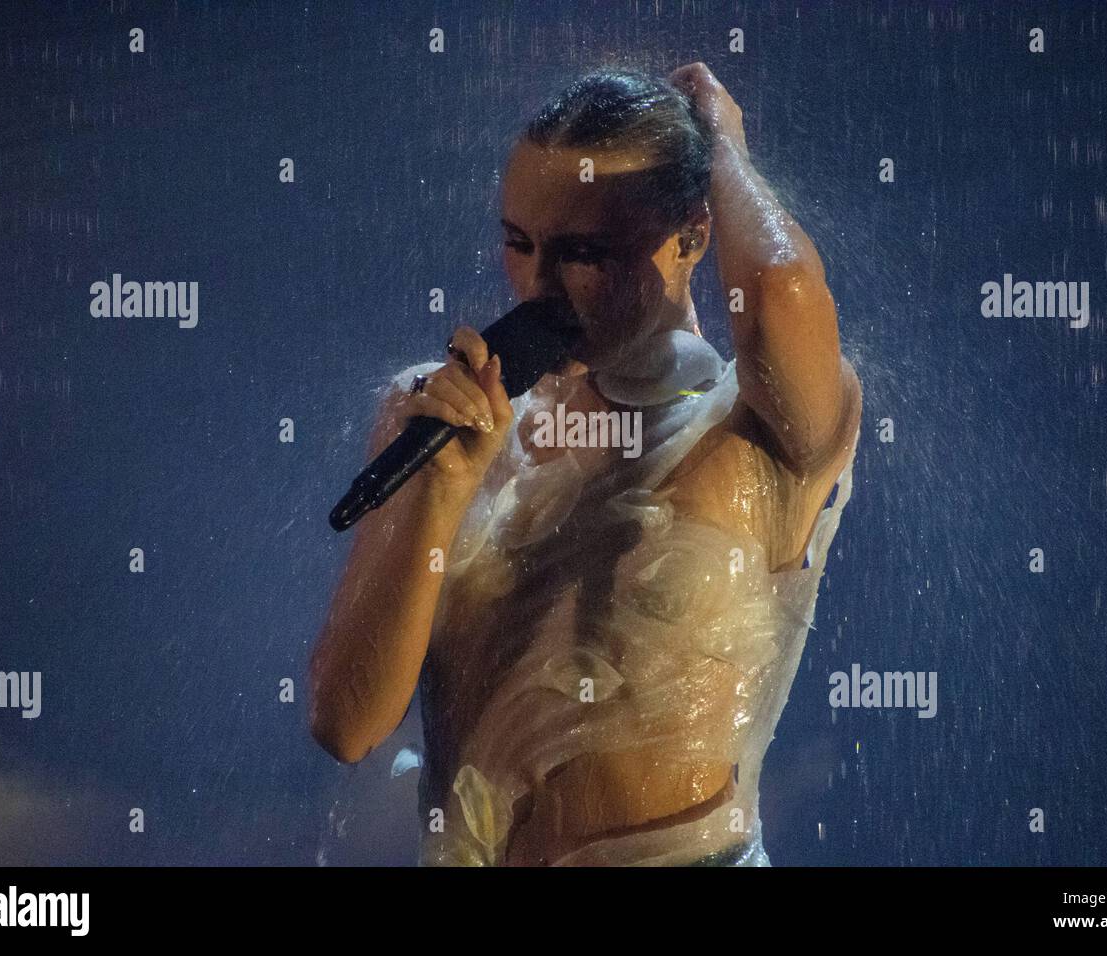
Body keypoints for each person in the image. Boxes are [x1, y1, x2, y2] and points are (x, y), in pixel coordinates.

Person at [309, 63, 863, 866]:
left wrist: (721, 135)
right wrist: (444, 491)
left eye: (584, 254)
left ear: (692, 236)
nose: (538, 287)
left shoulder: (759, 425)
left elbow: (778, 287)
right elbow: (345, 725)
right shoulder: (439, 417)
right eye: (518, 242)